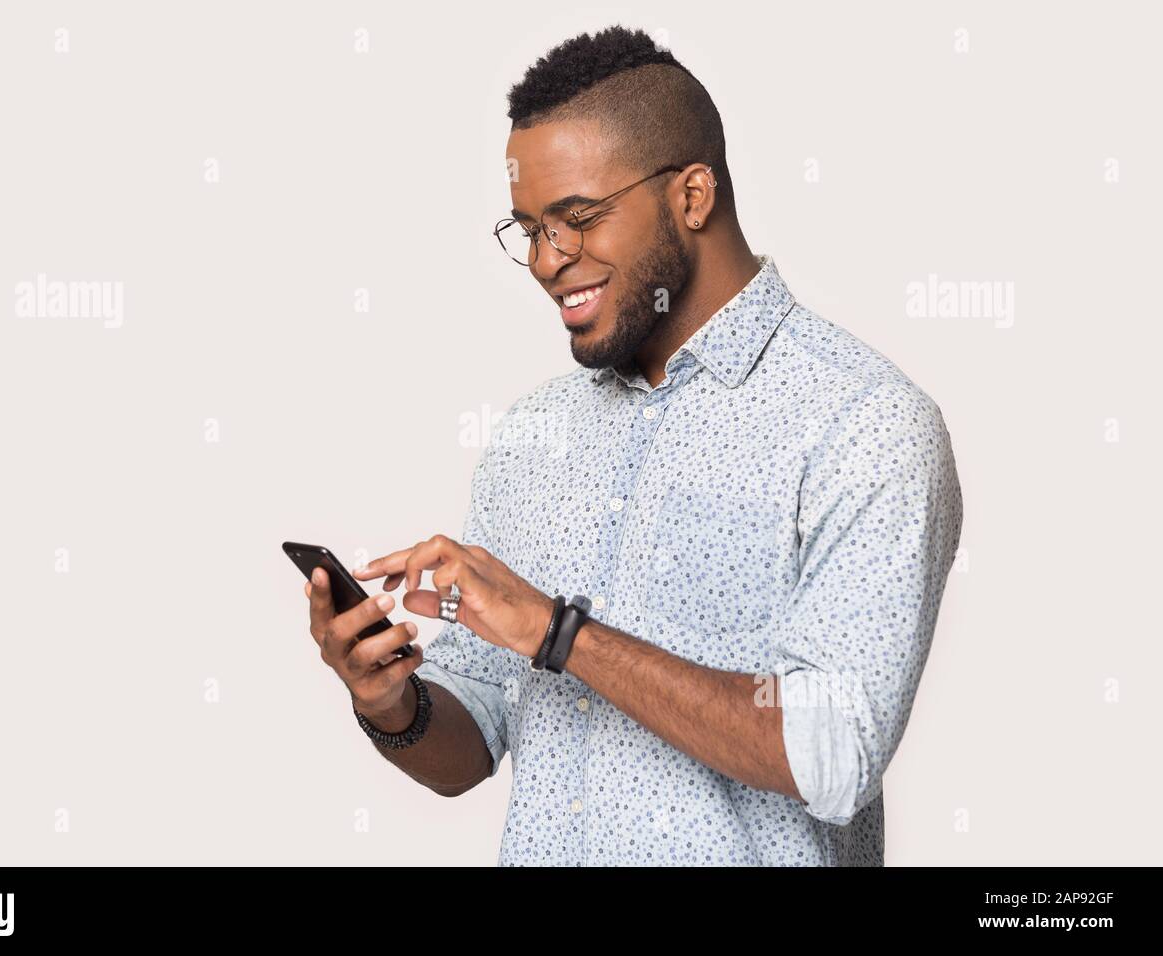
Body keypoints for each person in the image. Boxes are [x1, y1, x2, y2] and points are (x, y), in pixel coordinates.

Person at [304, 24, 963, 866]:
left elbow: (832, 755)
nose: (549, 261)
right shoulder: (531, 439)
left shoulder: (864, 424)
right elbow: (473, 742)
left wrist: (559, 632)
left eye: (577, 219)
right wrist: (391, 703)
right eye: (530, 229)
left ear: (693, 196)